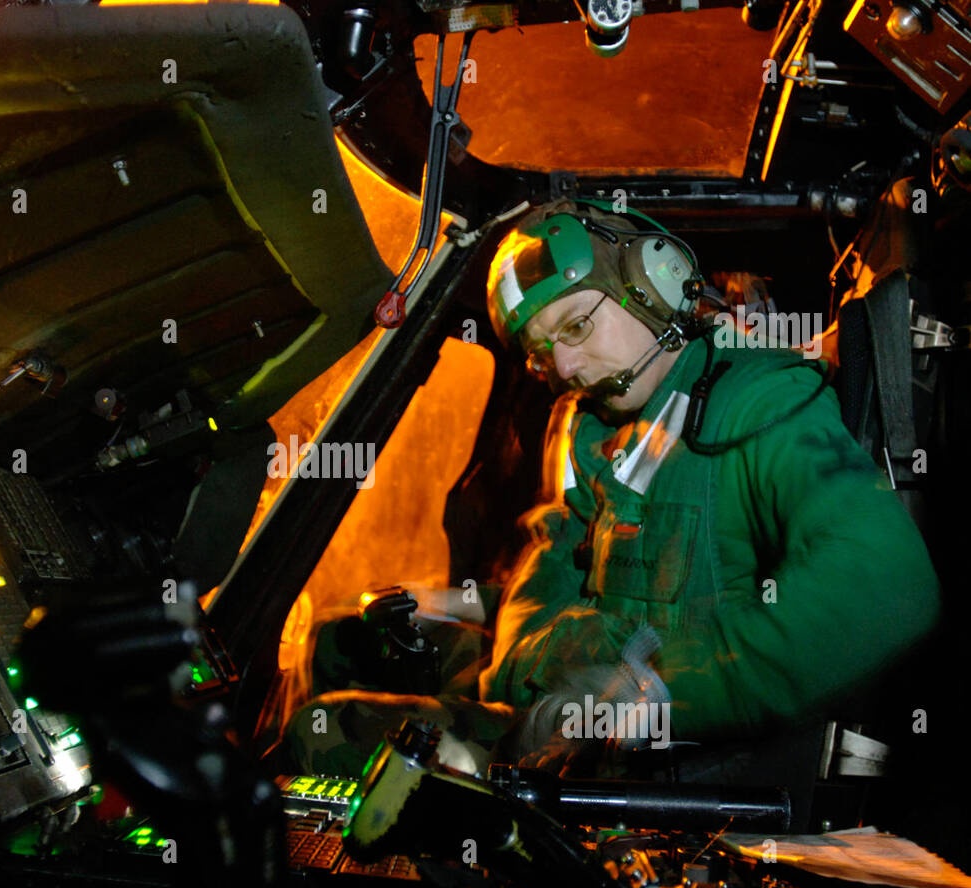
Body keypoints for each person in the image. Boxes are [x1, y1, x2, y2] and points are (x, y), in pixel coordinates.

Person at [283, 197, 940, 780]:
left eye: (575, 328)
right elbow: (576, 574)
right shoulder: (601, 431)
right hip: (545, 685)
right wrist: (460, 602)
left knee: (321, 734)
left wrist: (657, 695)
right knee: (336, 647)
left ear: (653, 284)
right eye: (542, 355)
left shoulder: (756, 404)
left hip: (619, 752)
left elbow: (886, 584)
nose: (564, 367)